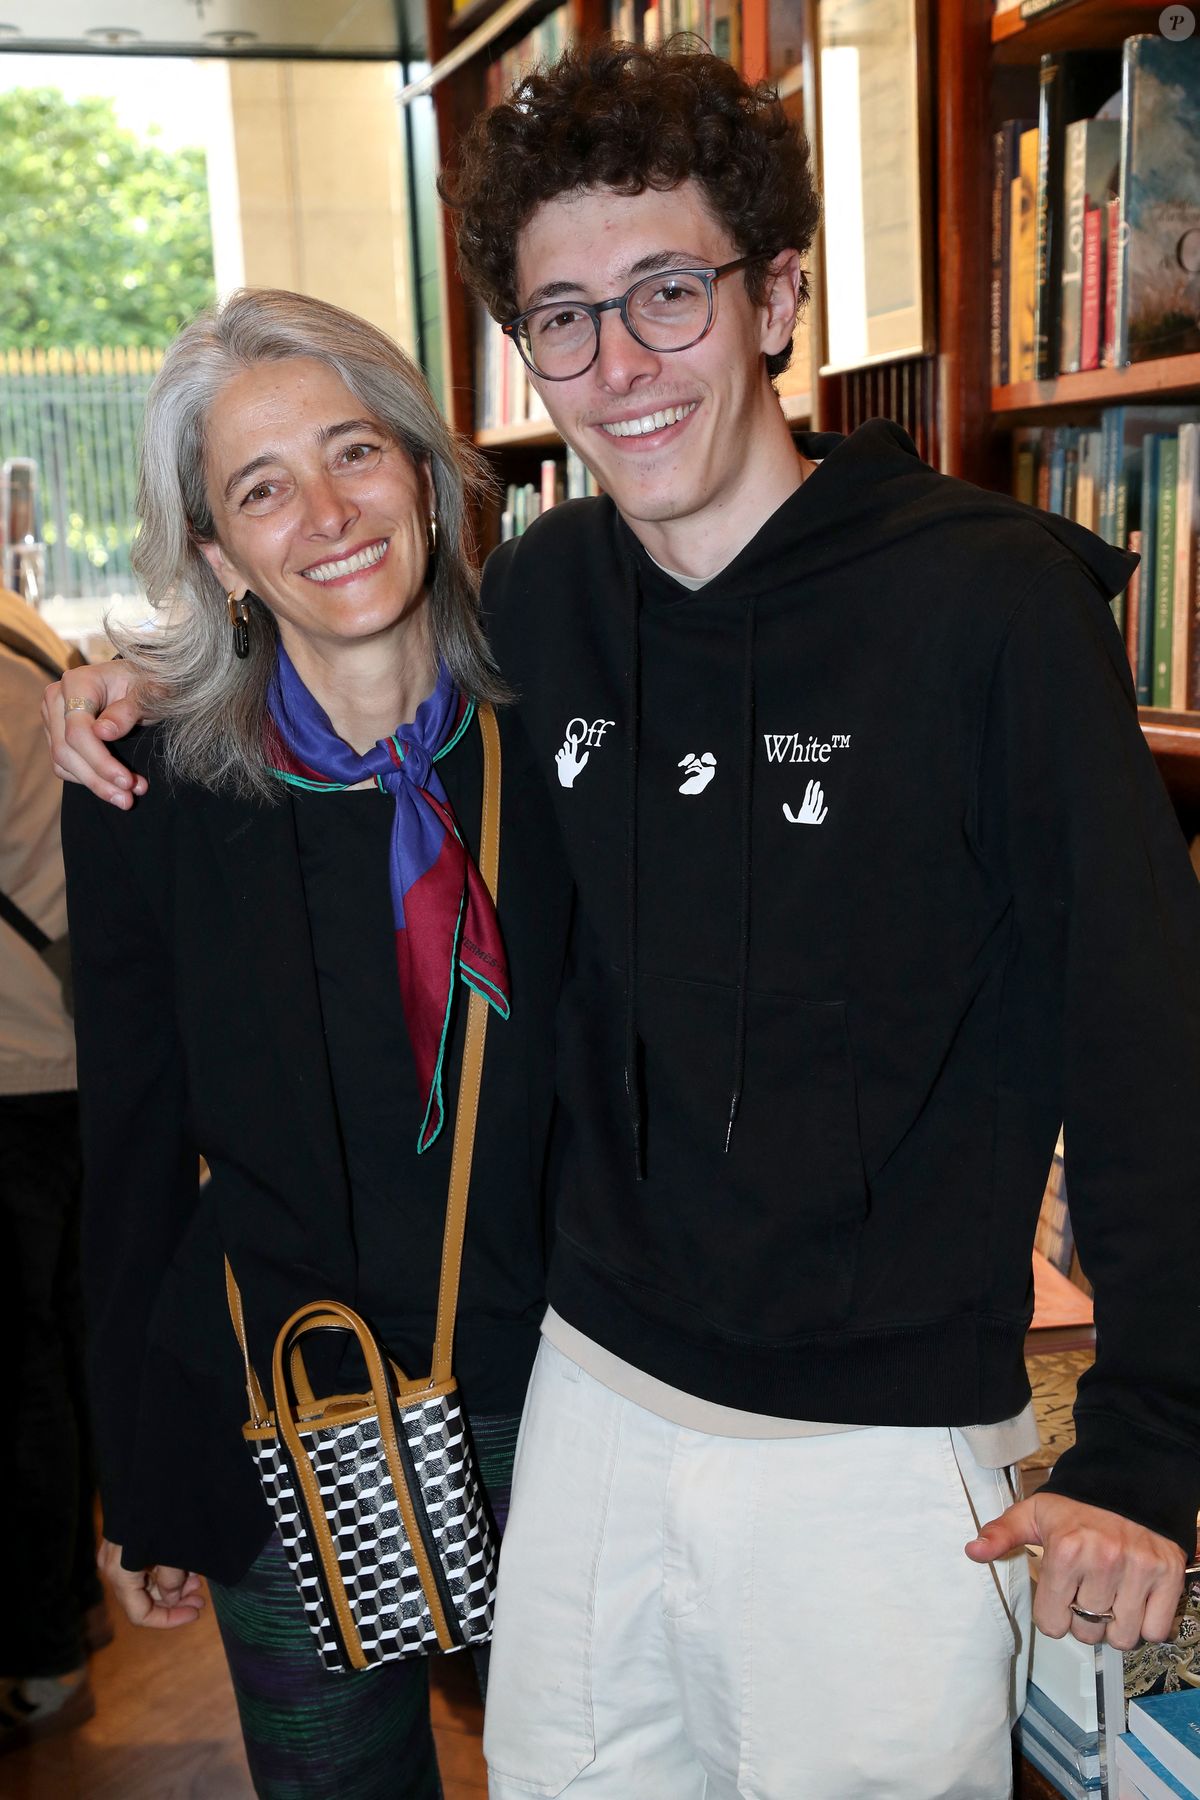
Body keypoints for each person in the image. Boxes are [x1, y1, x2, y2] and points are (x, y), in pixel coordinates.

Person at [45, 40, 1200, 1800]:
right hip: (590, 1408)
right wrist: (119, 686)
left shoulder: (987, 608)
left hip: (878, 1451)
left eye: (670, 291)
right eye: (564, 316)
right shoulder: (558, 605)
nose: (620, 362)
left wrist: (1147, 1442)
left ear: (780, 296)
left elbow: (1144, 1043)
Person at [53, 288, 570, 1800]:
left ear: (424, 469)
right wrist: (136, 1474)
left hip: (568, 1401)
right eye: (260, 488)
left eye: (356, 453)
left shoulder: (560, 730)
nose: (326, 514)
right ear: (216, 553)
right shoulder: (150, 786)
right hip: (303, 1406)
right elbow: (131, 1147)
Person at [0, 585, 105, 1750]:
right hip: (72, 1055)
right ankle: (70, 1605)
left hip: (11, 1063)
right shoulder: (27, 626)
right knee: (60, 1348)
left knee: (16, 1374)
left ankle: (36, 1645)